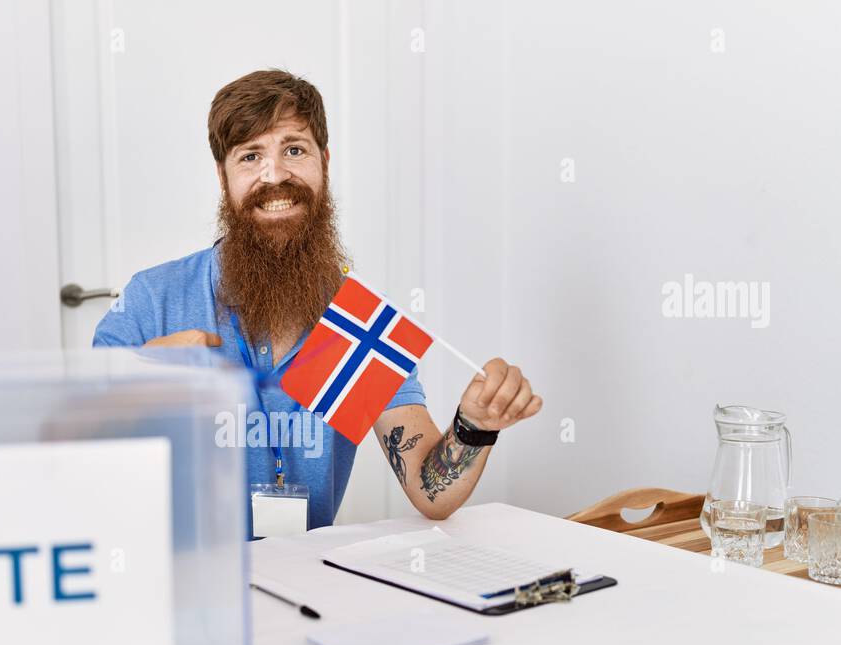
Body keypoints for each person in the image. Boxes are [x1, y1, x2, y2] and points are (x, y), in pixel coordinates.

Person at [93, 69, 541, 530]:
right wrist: (135, 387)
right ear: (222, 177)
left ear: (324, 162)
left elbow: (430, 492)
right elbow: (72, 460)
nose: (275, 176)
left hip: (305, 582)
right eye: (250, 156)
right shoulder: (152, 300)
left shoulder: (357, 322)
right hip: (185, 575)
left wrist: (474, 425)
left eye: (294, 149)